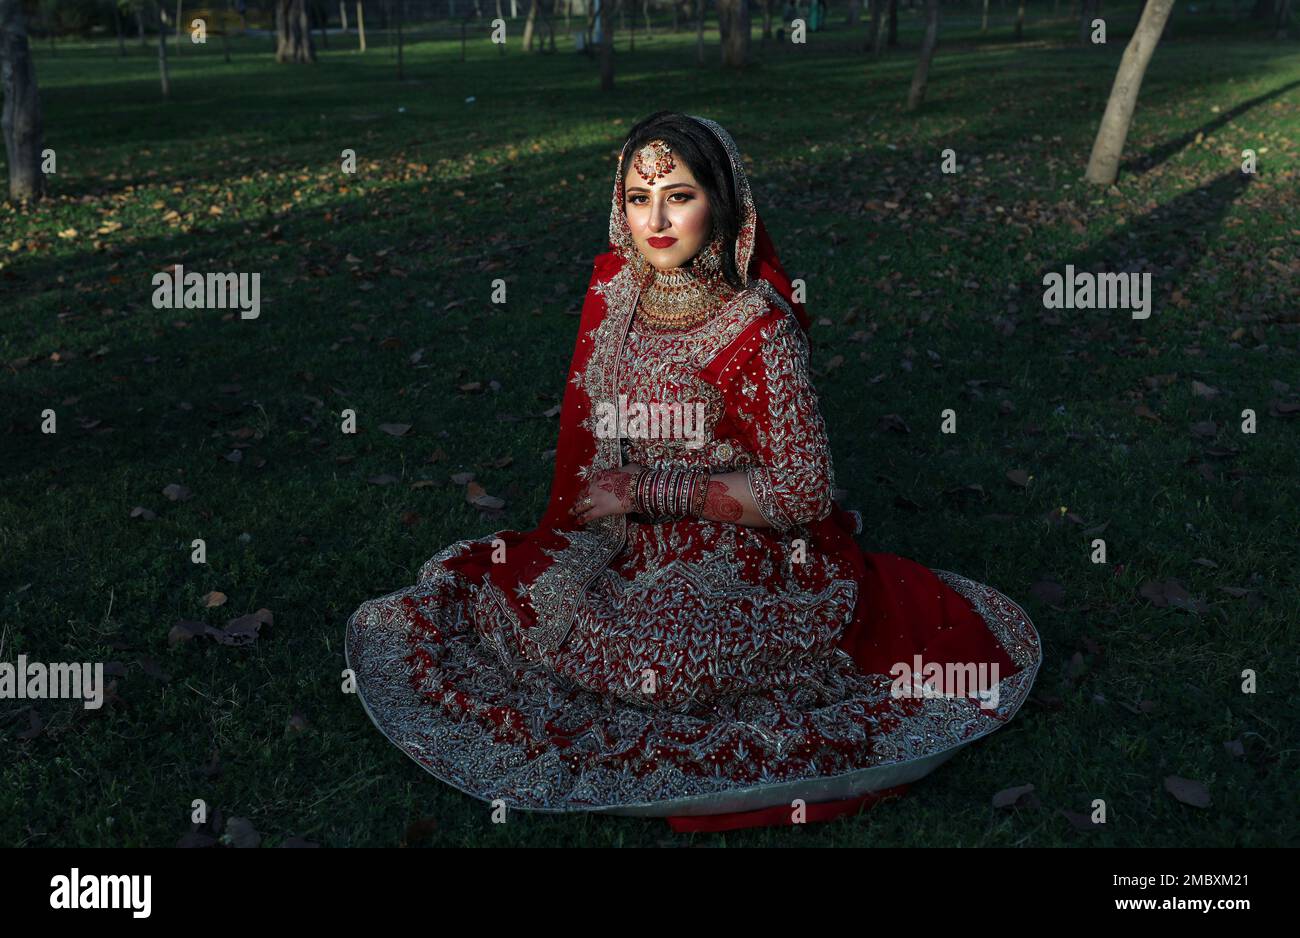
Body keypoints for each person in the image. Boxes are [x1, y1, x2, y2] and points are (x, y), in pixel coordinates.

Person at [344, 112, 1041, 832]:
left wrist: (652, 490)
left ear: (723, 202)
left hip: (748, 548)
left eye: (678, 195)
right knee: (520, 603)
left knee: (669, 662)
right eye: (638, 197)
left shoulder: (755, 329)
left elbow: (802, 491)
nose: (656, 218)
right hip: (631, 542)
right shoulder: (620, 297)